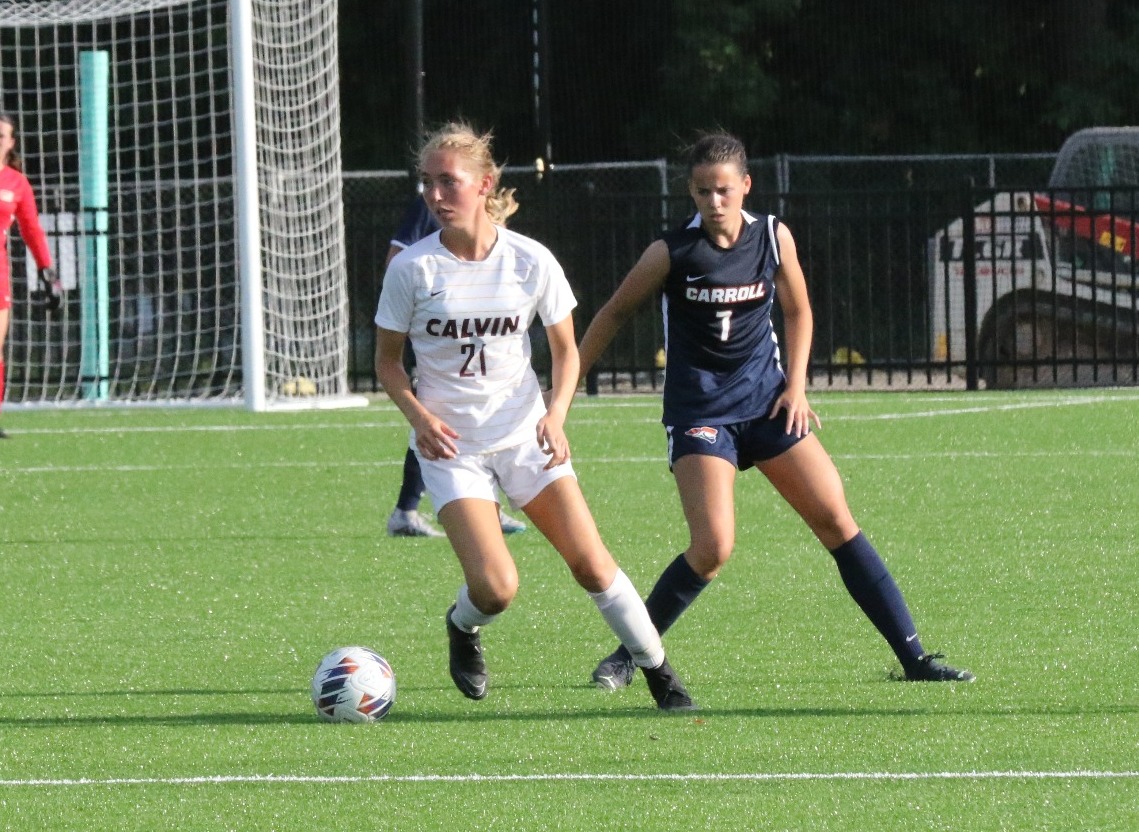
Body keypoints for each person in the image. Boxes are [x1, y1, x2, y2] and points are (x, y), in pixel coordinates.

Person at [578, 131, 974, 689]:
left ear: (745, 186)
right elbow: (614, 313)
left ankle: (915, 659)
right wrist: (565, 385)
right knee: (713, 547)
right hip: (701, 411)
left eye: (723, 190)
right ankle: (628, 656)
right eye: (701, 192)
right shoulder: (670, 252)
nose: (713, 203)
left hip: (767, 402)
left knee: (837, 520)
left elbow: (800, 310)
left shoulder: (772, 236)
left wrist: (797, 386)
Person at [374, 121, 694, 710]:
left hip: (525, 436)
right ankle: (462, 625)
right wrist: (419, 418)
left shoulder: (530, 261)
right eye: (428, 183)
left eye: (449, 182)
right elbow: (388, 365)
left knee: (593, 565)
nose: (435, 196)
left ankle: (660, 674)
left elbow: (567, 351)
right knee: (496, 589)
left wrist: (557, 413)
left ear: (484, 184)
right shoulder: (412, 269)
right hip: (455, 450)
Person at [382, 195, 528, 538]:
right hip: (440, 326)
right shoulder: (427, 209)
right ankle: (407, 510)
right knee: (435, 416)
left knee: (476, 413)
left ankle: (485, 507)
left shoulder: (491, 226)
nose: (439, 192)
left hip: (473, 327)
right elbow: (396, 259)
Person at [0, 112, 58, 439]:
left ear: (11, 142)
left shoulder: (16, 182)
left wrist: (47, 271)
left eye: (0, 136)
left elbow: (32, 229)